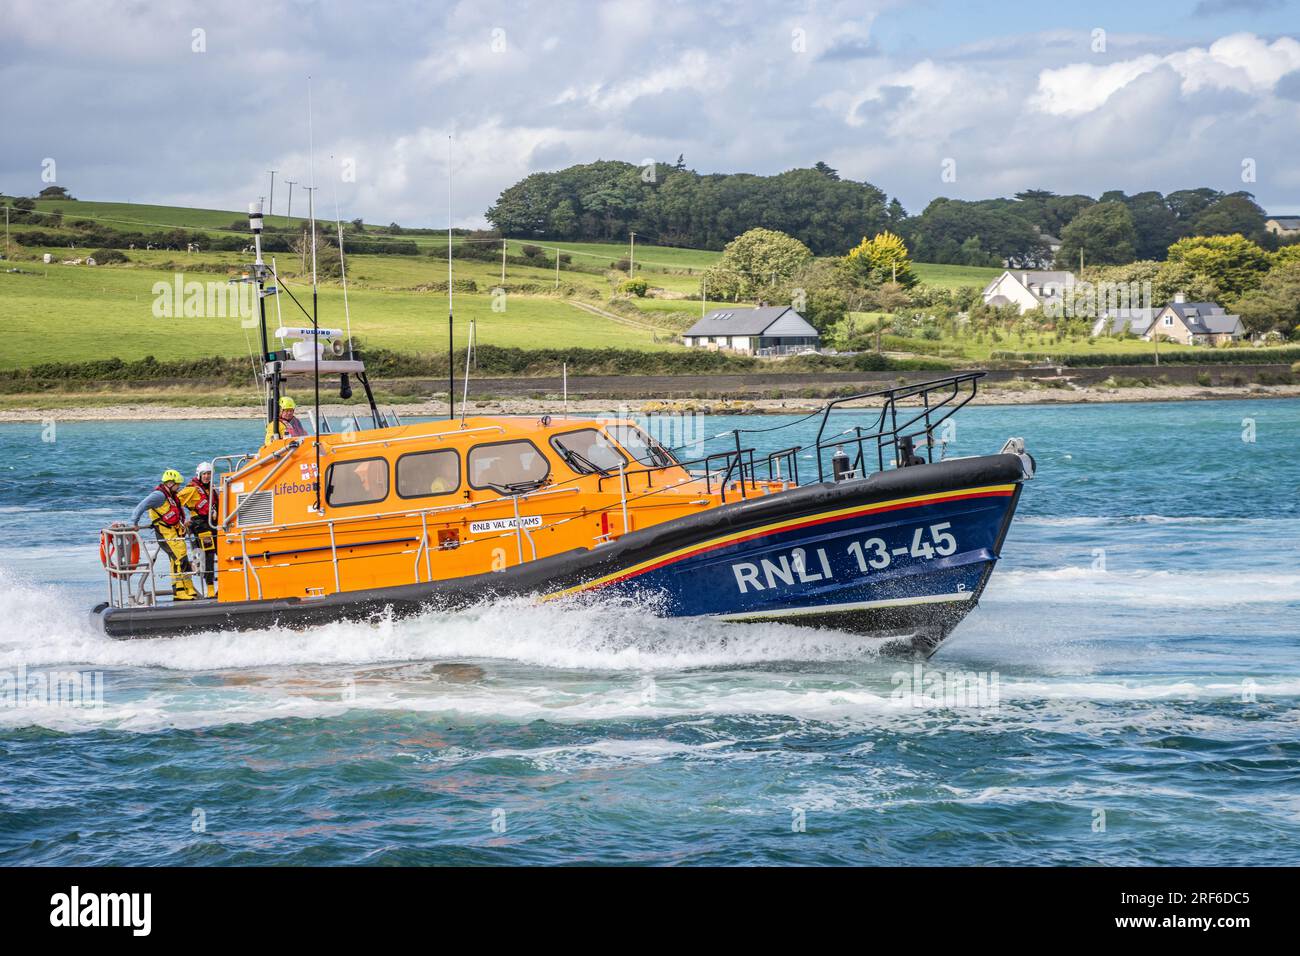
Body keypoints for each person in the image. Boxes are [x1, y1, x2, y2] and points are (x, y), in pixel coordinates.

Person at [130, 469, 199, 601]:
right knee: (179, 558)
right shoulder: (159, 496)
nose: (179, 487)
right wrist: (134, 522)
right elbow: (141, 506)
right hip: (164, 534)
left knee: (179, 559)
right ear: (169, 483)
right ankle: (179, 591)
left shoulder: (171, 495)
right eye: (177, 484)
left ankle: (187, 587)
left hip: (174, 533)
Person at [178, 461, 218, 598]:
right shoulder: (192, 489)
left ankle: (225, 583)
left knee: (223, 552)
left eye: (209, 474)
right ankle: (210, 587)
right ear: (199, 475)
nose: (206, 476)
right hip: (201, 526)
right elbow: (175, 502)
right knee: (209, 556)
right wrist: (182, 520)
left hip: (213, 525)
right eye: (204, 474)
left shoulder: (211, 488)